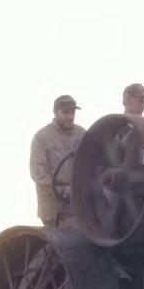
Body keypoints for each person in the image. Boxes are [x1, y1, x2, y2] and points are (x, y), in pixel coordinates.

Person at [29, 95, 86, 227]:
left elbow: (92, 164)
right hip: (53, 208)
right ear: (55, 112)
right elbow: (37, 173)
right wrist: (61, 190)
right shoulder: (41, 138)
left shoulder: (82, 134)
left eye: (72, 113)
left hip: (79, 205)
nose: (70, 117)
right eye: (65, 112)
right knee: (59, 241)